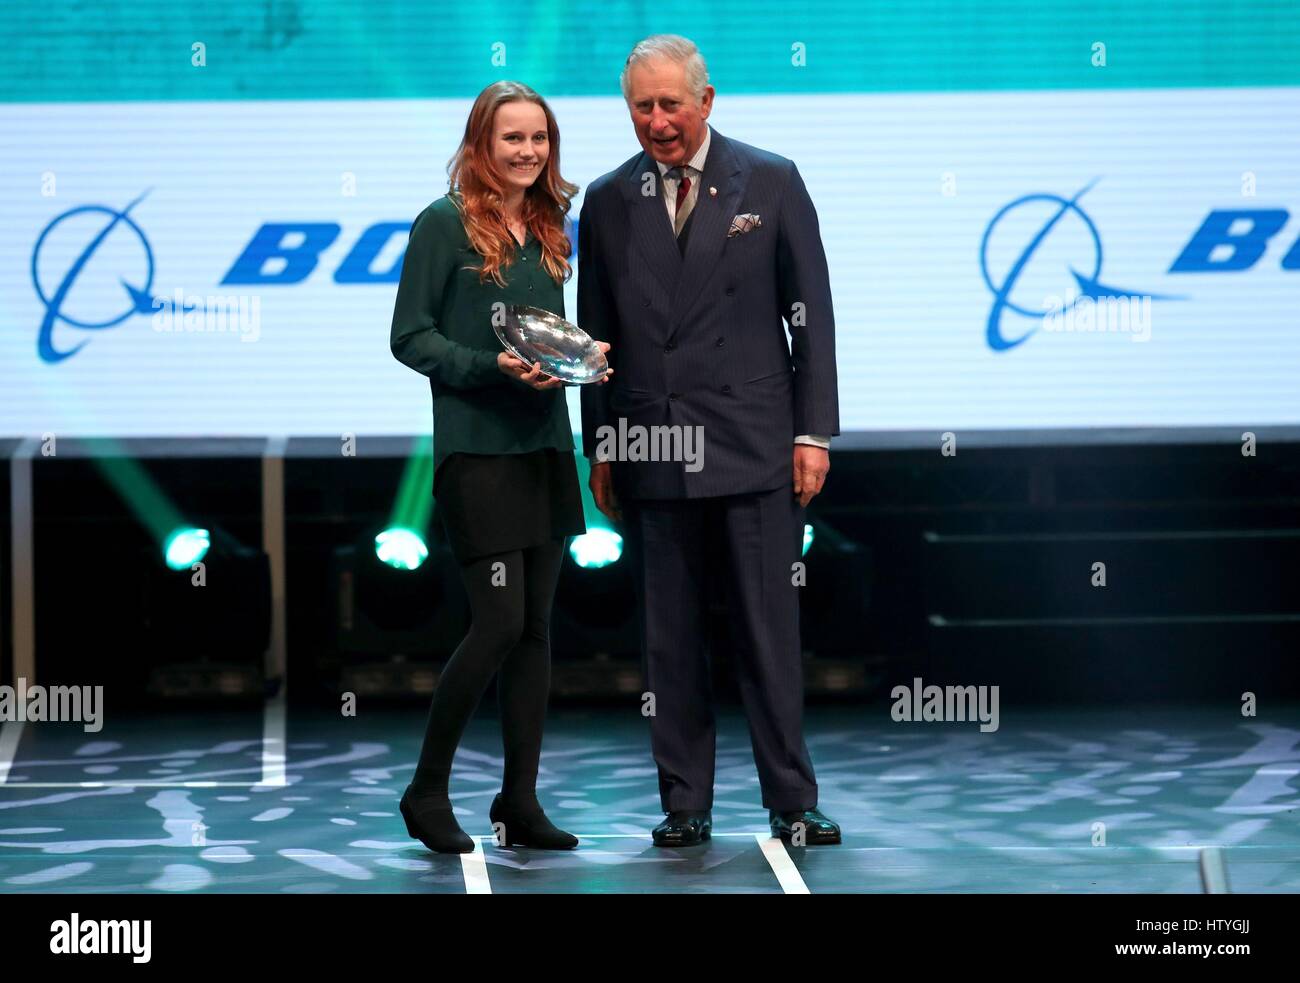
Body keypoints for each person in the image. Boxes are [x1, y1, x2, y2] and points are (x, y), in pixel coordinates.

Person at [578, 35, 842, 847]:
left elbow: (814, 316)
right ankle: (684, 801)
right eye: (641, 107)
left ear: (707, 100)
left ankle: (792, 797)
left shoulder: (771, 178)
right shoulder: (606, 197)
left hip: (755, 438)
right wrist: (601, 443)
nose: (657, 122)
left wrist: (813, 431)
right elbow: (595, 335)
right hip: (652, 444)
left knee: (768, 633)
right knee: (672, 640)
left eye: (670, 105)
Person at [390, 80, 610, 854]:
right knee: (499, 621)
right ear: (480, 144)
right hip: (476, 452)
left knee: (536, 630)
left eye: (539, 139)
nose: (527, 152)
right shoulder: (441, 224)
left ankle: (519, 801)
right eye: (511, 138)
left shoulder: (551, 224)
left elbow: (547, 334)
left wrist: (580, 359)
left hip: (546, 446)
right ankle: (425, 791)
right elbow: (410, 338)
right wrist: (493, 367)